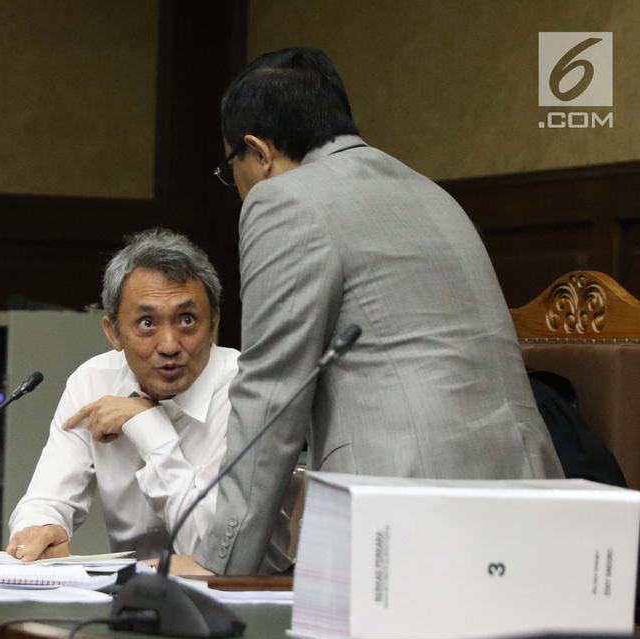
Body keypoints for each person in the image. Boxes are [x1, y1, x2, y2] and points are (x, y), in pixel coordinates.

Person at [176, 48, 564, 576]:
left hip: (407, 512)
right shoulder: (432, 193)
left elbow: (270, 396)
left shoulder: (284, 200)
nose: (237, 186)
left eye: (231, 169)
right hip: (532, 497)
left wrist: (219, 571)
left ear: (257, 151)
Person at [7, 228, 269, 562]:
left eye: (187, 320)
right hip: (128, 600)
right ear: (114, 333)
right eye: (147, 323)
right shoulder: (93, 381)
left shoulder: (247, 389)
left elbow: (213, 552)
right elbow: (46, 498)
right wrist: (40, 526)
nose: (170, 345)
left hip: (240, 598)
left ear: (214, 324)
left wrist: (150, 428)